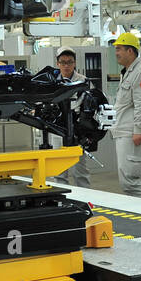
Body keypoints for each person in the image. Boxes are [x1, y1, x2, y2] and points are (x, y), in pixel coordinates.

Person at [110, 32, 141, 198]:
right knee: (130, 178)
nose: (116, 52)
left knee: (131, 181)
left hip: (132, 134)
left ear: (131, 51)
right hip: (124, 132)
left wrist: (138, 131)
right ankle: (139, 213)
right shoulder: (128, 72)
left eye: (119, 49)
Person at [54, 48, 93, 188]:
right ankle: (61, 203)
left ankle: (85, 201)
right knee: (59, 171)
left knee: (80, 170)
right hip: (57, 130)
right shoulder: (52, 82)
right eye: (63, 62)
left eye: (69, 62)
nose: (66, 65)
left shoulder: (83, 81)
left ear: (75, 63)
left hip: (77, 130)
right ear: (57, 63)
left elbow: (91, 103)